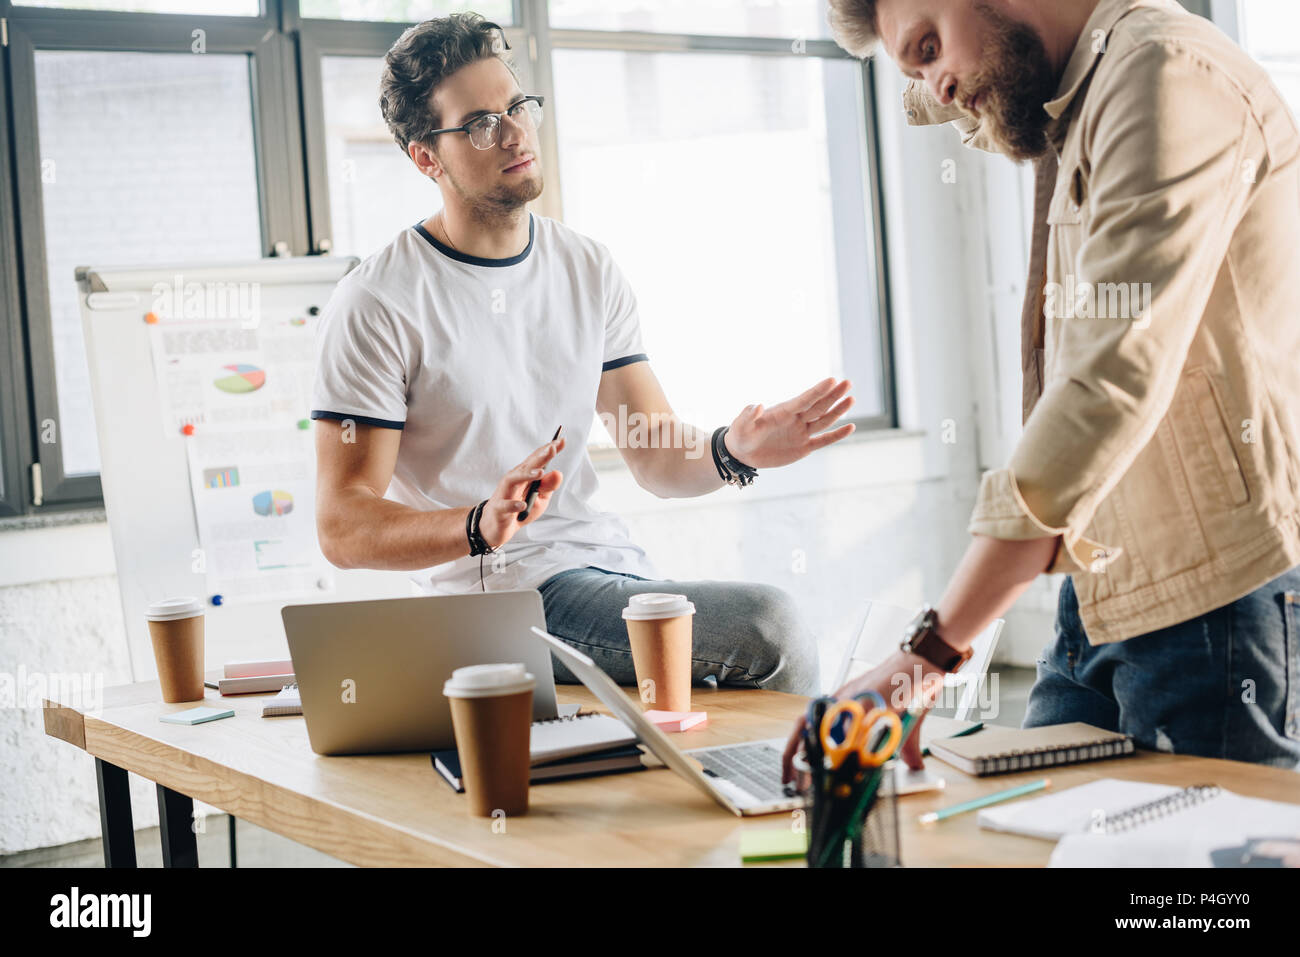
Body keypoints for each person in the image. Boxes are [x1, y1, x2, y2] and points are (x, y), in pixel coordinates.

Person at [783, 0, 1300, 774]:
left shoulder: (1163, 75)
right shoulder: (1078, 95)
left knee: (1200, 893)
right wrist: (933, 65)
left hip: (1214, 595)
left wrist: (925, 656)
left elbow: (1106, 383)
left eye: (928, 48)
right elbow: (955, 83)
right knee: (1028, 832)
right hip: (1099, 581)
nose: (940, 86)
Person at [311, 13, 856, 696]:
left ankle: (753, 800)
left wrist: (732, 448)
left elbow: (654, 454)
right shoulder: (378, 301)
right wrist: (478, 522)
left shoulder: (586, 267)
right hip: (502, 599)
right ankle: (804, 803)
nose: (513, 133)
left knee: (726, 668)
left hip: (606, 574)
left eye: (516, 106)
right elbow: (343, 523)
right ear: (427, 157)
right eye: (480, 124)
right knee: (767, 628)